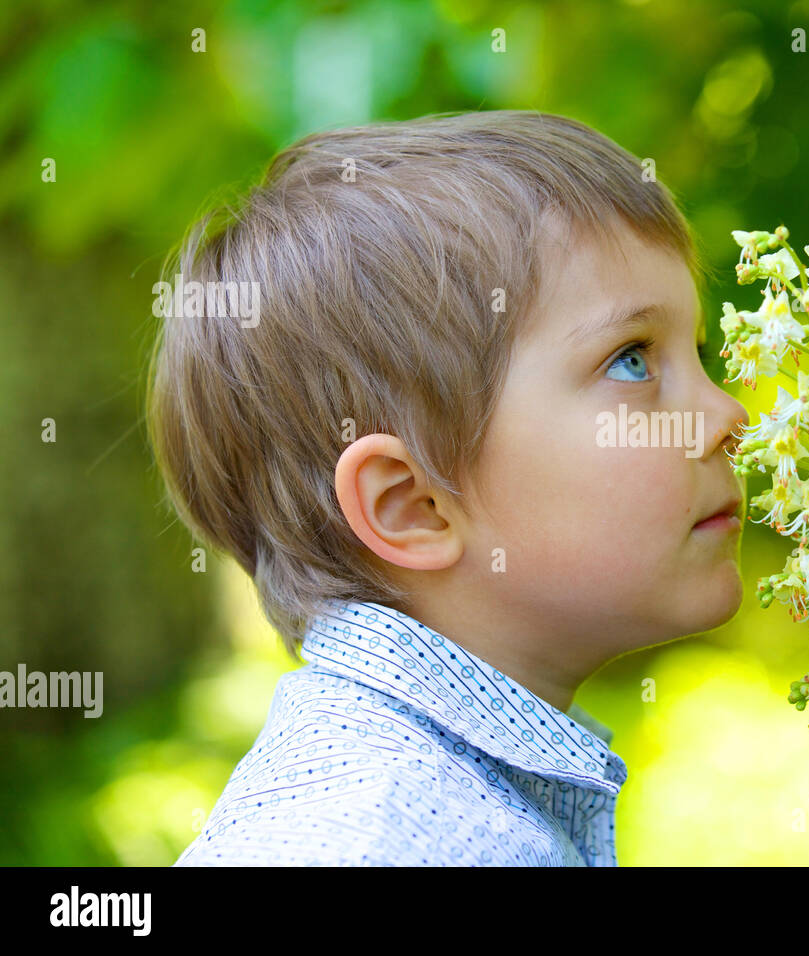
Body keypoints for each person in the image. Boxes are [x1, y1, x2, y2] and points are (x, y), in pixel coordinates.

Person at [147, 110, 749, 865]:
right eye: (631, 360)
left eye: (697, 353)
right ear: (414, 506)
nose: (730, 416)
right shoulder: (386, 839)